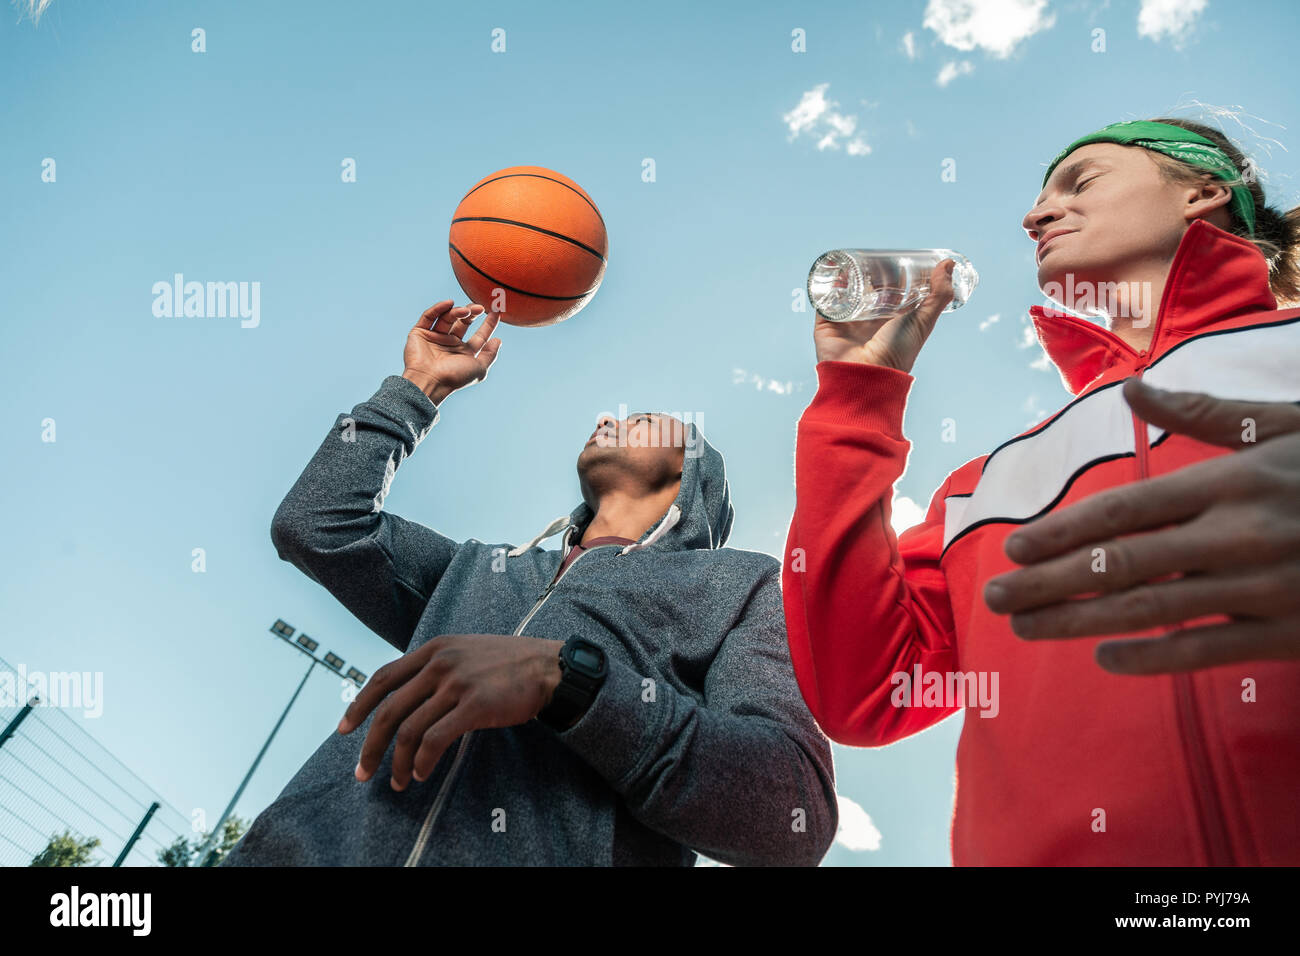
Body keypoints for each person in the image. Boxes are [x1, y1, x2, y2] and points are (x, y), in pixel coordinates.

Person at [782, 117, 1300, 865]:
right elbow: (871, 692)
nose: (1035, 215)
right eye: (1036, 200)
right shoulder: (991, 480)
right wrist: (858, 396)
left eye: (1079, 182)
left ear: (1204, 192)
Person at [222, 299, 837, 866]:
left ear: (690, 471)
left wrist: (567, 681)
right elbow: (317, 525)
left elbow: (792, 815)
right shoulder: (482, 569)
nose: (607, 418)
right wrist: (420, 387)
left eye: (644, 419)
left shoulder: (742, 586)